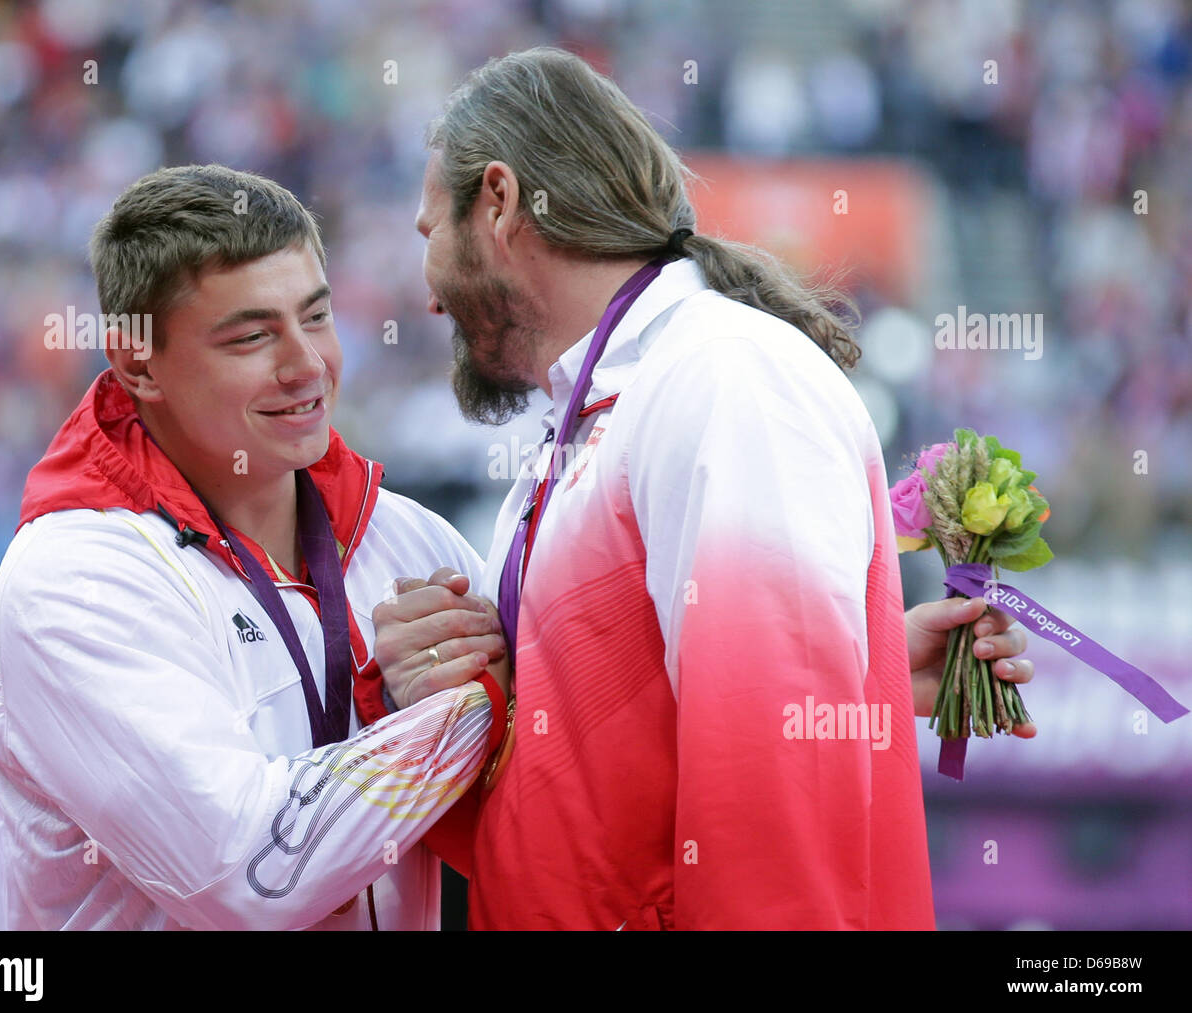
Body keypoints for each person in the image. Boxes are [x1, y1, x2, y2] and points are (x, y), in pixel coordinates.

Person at [371, 47, 1036, 930]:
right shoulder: (603, 412)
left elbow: (772, 820)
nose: (426, 294)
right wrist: (430, 690)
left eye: (429, 234)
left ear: (498, 202)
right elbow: (603, 783)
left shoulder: (723, 377)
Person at [0, 164, 511, 930]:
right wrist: (464, 705)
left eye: (316, 317)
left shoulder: (410, 539)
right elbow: (249, 876)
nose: (306, 364)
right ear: (136, 364)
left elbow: (533, 812)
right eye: (253, 336)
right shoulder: (76, 580)